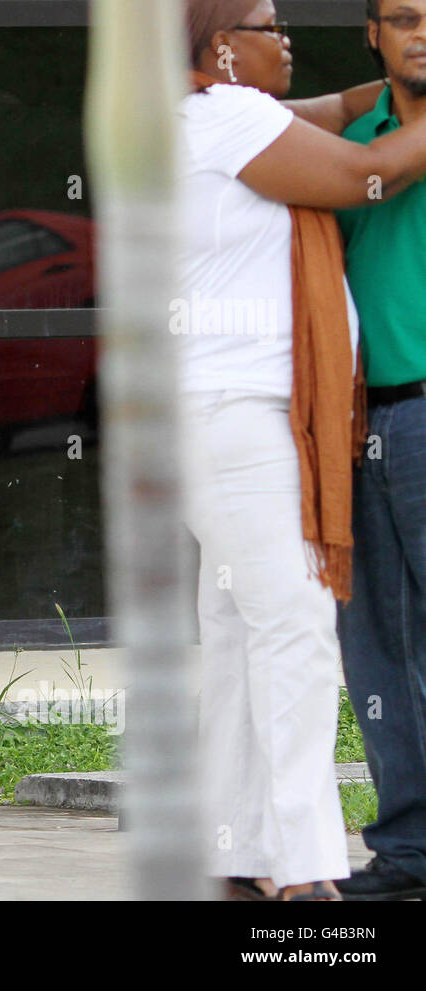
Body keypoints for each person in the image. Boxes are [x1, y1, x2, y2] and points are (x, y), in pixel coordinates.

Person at [180, 0, 426, 899]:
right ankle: (304, 866)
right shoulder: (231, 119)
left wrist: (401, 73)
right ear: (221, 48)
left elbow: (333, 107)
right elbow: (367, 168)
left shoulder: (201, 115)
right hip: (246, 419)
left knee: (240, 634)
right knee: (295, 632)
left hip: (214, 423)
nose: (286, 40)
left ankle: (235, 850)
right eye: (268, 25)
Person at [331, 0, 426, 901]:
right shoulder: (362, 133)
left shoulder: (364, 152)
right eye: (402, 15)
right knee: (379, 651)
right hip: (373, 424)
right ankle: (408, 853)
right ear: (373, 32)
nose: (422, 29)